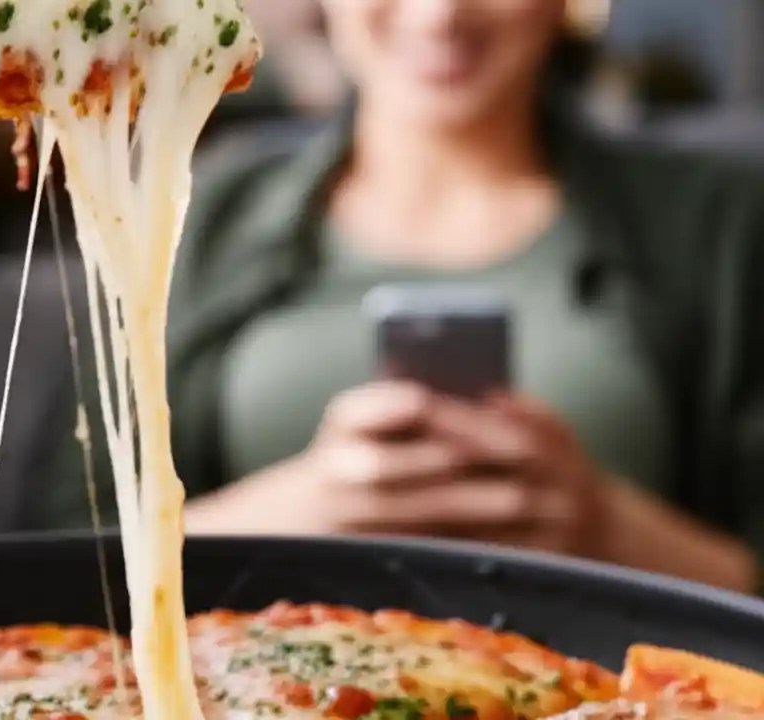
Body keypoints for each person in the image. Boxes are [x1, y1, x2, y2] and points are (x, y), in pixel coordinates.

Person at [44, 0, 764, 595]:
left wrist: (606, 528)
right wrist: (293, 516)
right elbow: (64, 561)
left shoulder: (722, 221)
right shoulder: (203, 208)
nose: (439, 14)